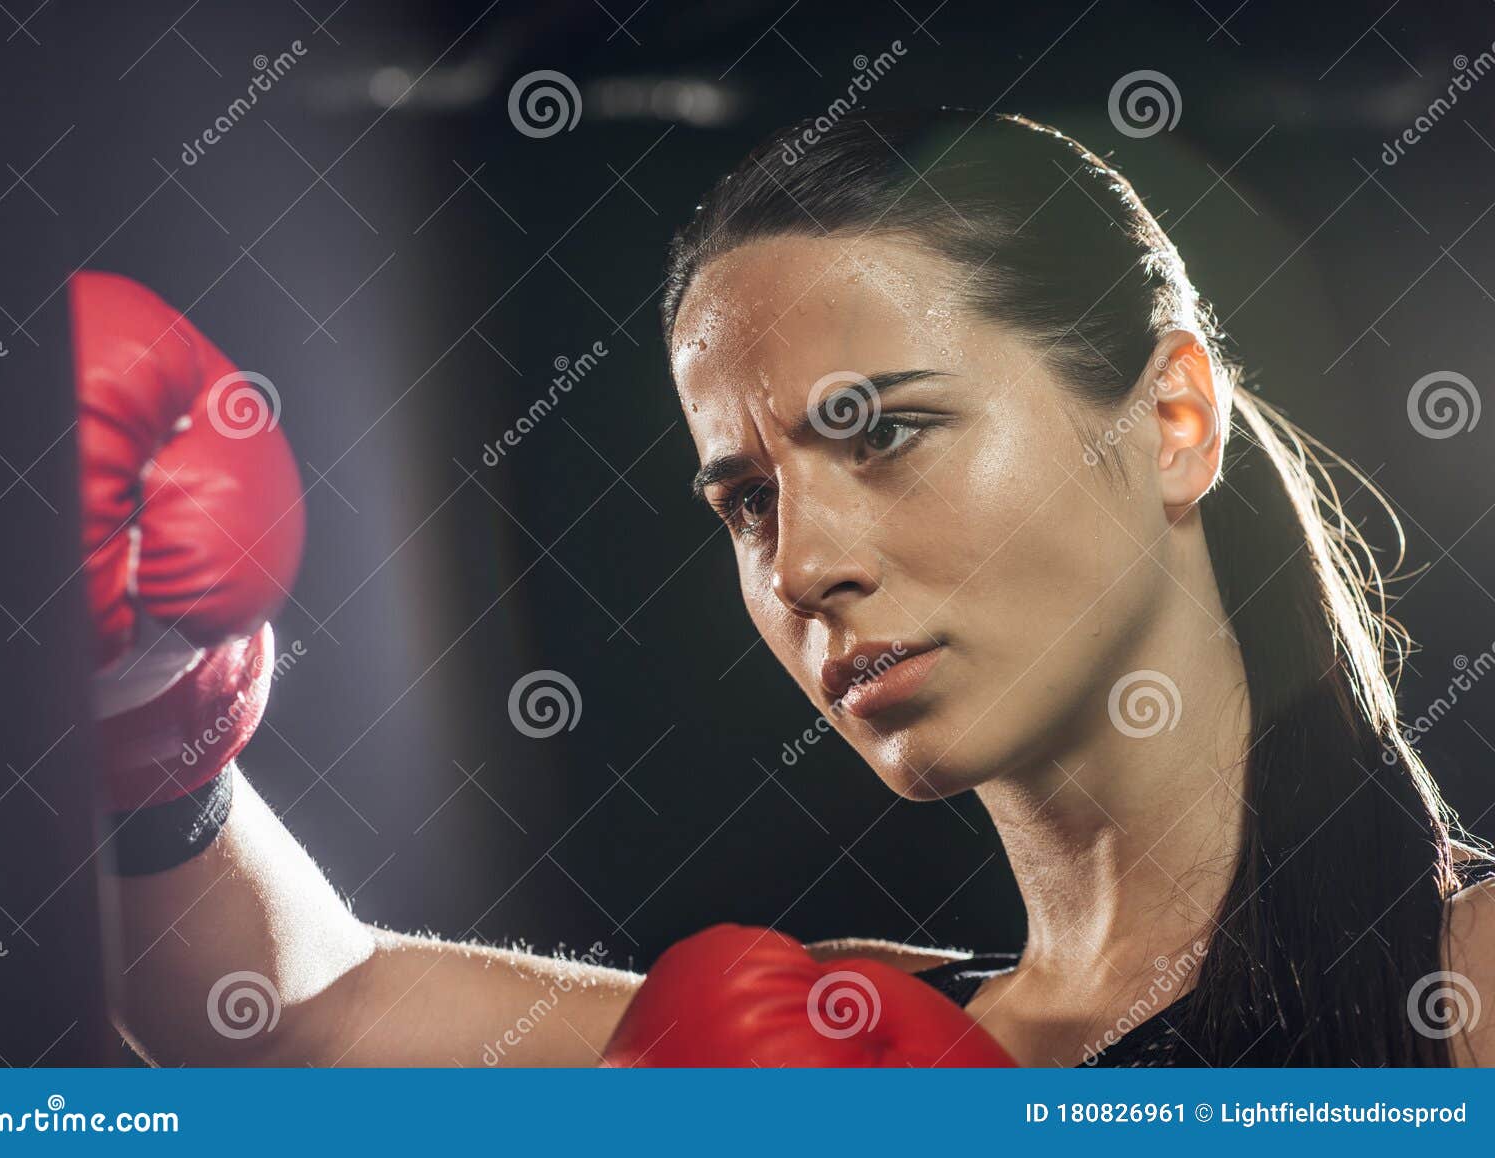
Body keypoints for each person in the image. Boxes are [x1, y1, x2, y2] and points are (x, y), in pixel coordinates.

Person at [85, 109, 1495, 1068]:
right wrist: (156, 695)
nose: (804, 563)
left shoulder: (1467, 983)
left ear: (1174, 418)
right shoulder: (834, 1034)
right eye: (749, 501)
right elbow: (306, 1010)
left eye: (882, 429)